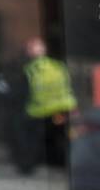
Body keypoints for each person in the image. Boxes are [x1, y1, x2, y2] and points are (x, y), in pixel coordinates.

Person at [14, 37, 78, 172]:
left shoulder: (30, 69)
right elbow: (69, 86)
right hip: (63, 109)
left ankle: (28, 165)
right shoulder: (59, 66)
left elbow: (22, 92)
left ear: (29, 53)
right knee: (64, 137)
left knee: (29, 136)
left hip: (39, 111)